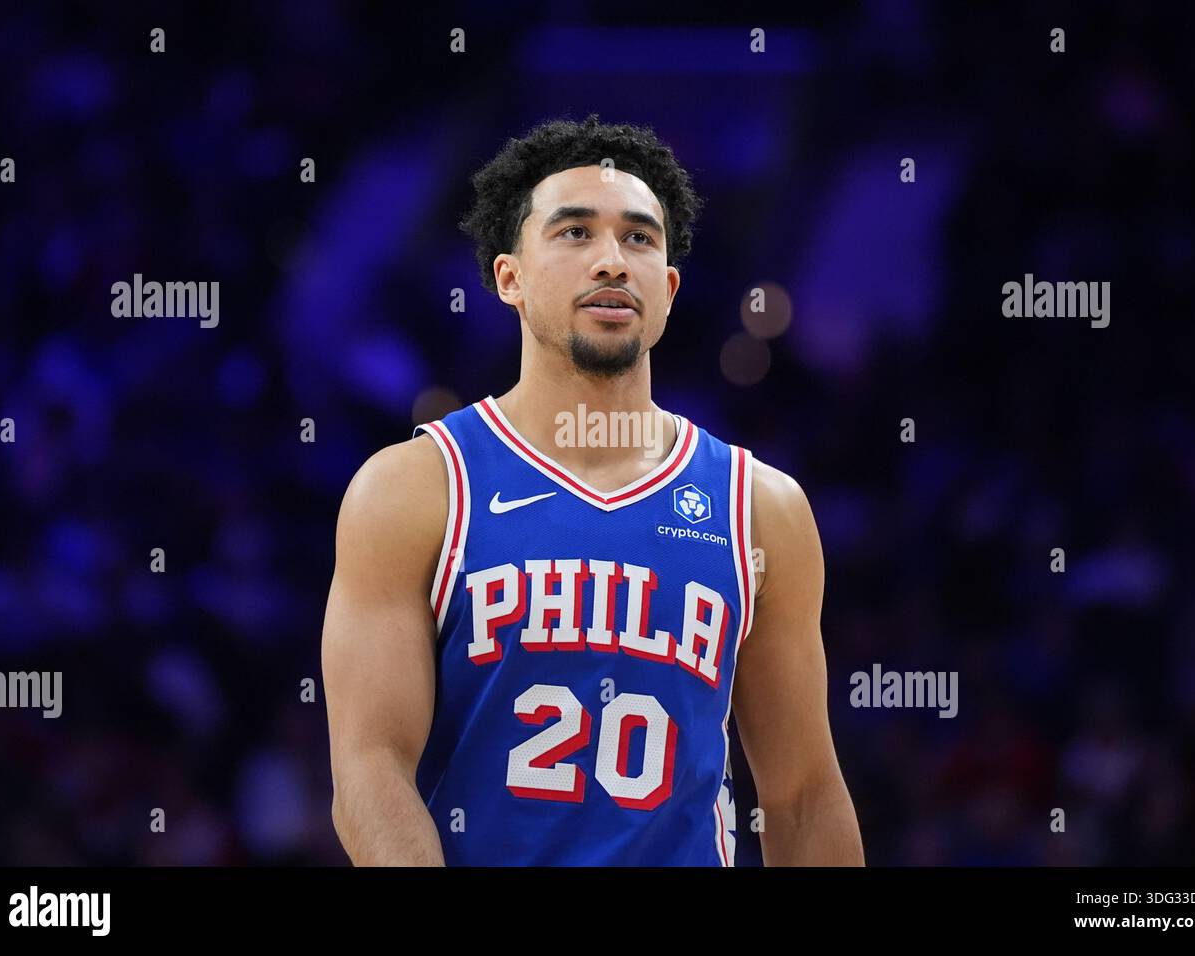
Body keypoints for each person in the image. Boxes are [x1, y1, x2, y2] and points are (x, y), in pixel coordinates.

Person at [322, 114, 863, 866]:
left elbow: (803, 797)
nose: (612, 260)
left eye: (640, 238)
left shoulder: (759, 507)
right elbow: (371, 771)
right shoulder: (414, 490)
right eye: (575, 233)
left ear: (668, 290)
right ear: (508, 276)